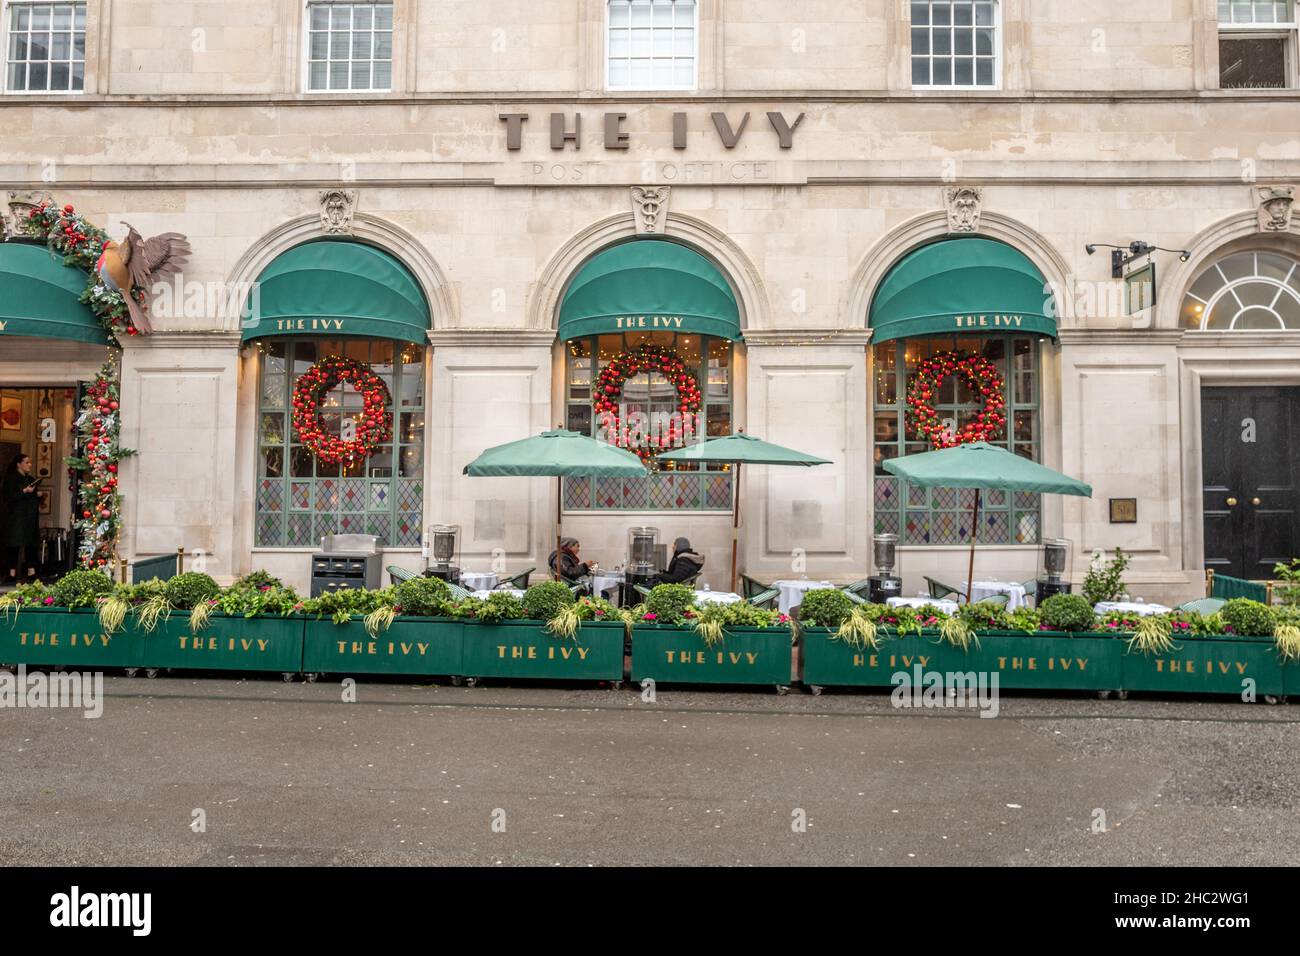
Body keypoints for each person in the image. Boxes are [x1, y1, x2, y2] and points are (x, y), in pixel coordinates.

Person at [2, 453, 40, 583]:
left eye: (30, 462)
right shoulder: (11, 479)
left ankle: (31, 571)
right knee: (14, 543)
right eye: (27, 462)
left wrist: (37, 494)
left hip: (29, 516)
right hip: (16, 516)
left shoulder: (30, 479)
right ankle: (11, 573)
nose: (29, 465)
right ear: (19, 464)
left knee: (31, 543)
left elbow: (33, 498)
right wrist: (24, 491)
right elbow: (8, 497)